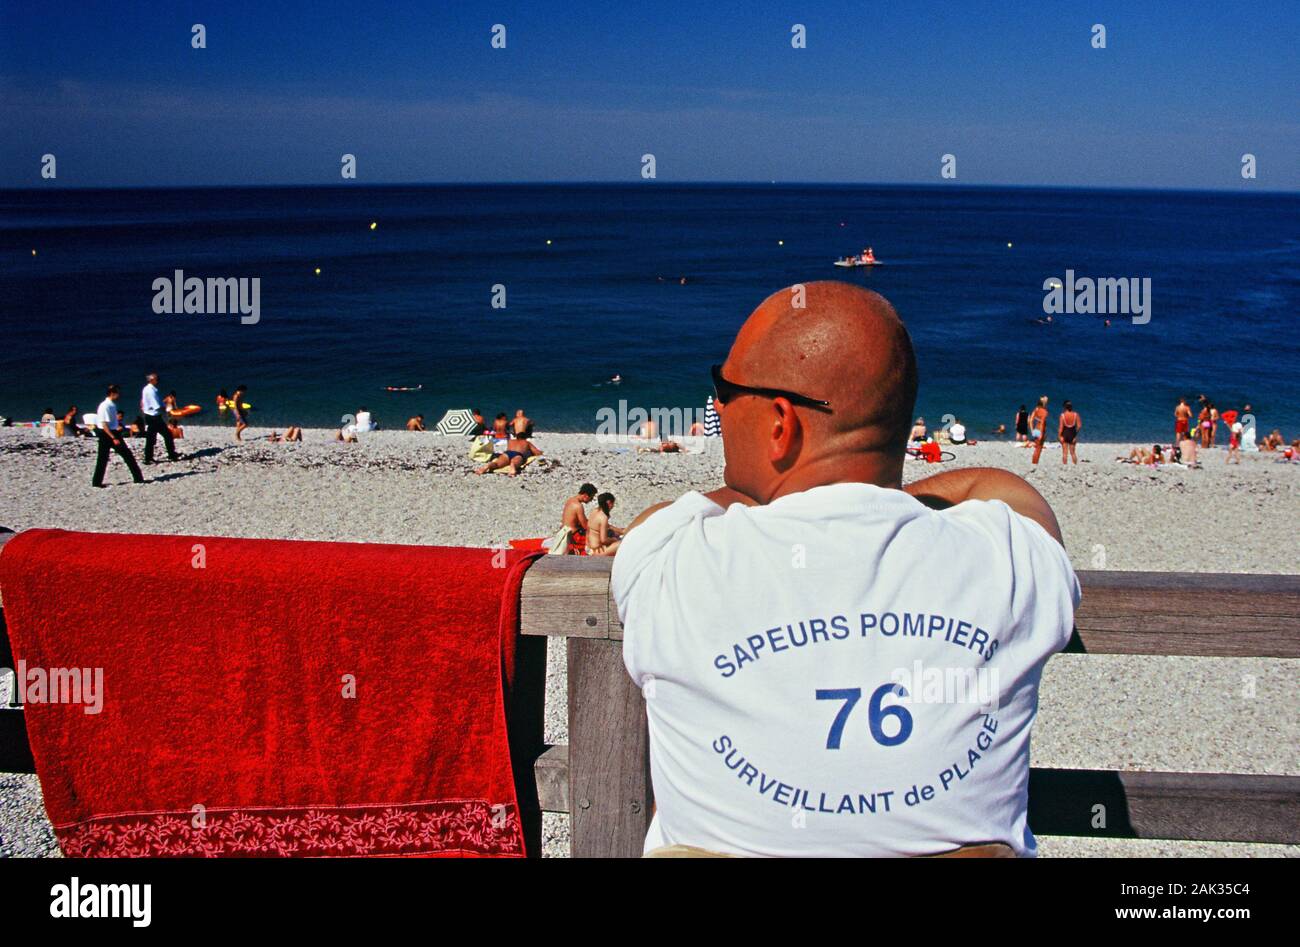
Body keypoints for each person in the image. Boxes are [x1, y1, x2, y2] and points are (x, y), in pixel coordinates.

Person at [611, 281, 1077, 857]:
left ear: (781, 424)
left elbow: (662, 518)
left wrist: (791, 500)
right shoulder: (1005, 557)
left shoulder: (671, 559)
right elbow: (1001, 486)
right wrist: (877, 495)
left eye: (724, 389)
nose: (717, 407)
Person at [92, 384, 145, 488]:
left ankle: (138, 478)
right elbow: (104, 424)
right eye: (117, 393)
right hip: (107, 434)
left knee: (122, 456)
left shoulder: (112, 405)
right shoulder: (105, 406)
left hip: (112, 432)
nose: (119, 395)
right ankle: (97, 482)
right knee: (120, 456)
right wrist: (113, 437)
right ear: (112, 394)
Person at [140, 371, 180, 464]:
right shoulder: (150, 391)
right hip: (154, 416)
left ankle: (148, 457)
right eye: (156, 379)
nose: (158, 380)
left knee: (151, 437)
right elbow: (156, 404)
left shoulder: (147, 389)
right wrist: (165, 410)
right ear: (151, 380)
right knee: (167, 435)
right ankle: (171, 455)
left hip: (150, 416)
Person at [474, 434, 542, 476]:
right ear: (525, 438)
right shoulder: (526, 442)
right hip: (518, 454)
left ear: (516, 437)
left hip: (507, 453)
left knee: (497, 464)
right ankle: (512, 469)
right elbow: (537, 452)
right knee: (514, 463)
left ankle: (487, 466)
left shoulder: (511, 441)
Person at [558, 483, 597, 552]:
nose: (591, 500)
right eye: (591, 497)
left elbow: (574, 520)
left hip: (565, 532)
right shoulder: (578, 506)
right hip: (574, 536)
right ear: (585, 495)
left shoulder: (570, 500)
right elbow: (585, 526)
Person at [1058, 401, 1081, 465]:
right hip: (1072, 434)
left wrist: (1059, 436)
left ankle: (1065, 466)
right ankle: (1075, 466)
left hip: (1065, 434)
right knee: (1073, 453)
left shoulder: (1062, 415)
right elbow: (1079, 426)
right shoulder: (1076, 414)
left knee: (1065, 453)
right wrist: (1075, 434)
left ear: (1064, 407)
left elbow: (1061, 427)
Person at [1030, 396, 1050, 464]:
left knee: (1037, 448)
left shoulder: (1036, 409)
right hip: (1041, 431)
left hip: (1035, 430)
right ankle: (1035, 463)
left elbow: (1030, 420)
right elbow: (1042, 423)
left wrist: (1032, 430)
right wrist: (1041, 434)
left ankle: (1034, 463)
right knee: (1039, 449)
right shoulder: (1045, 412)